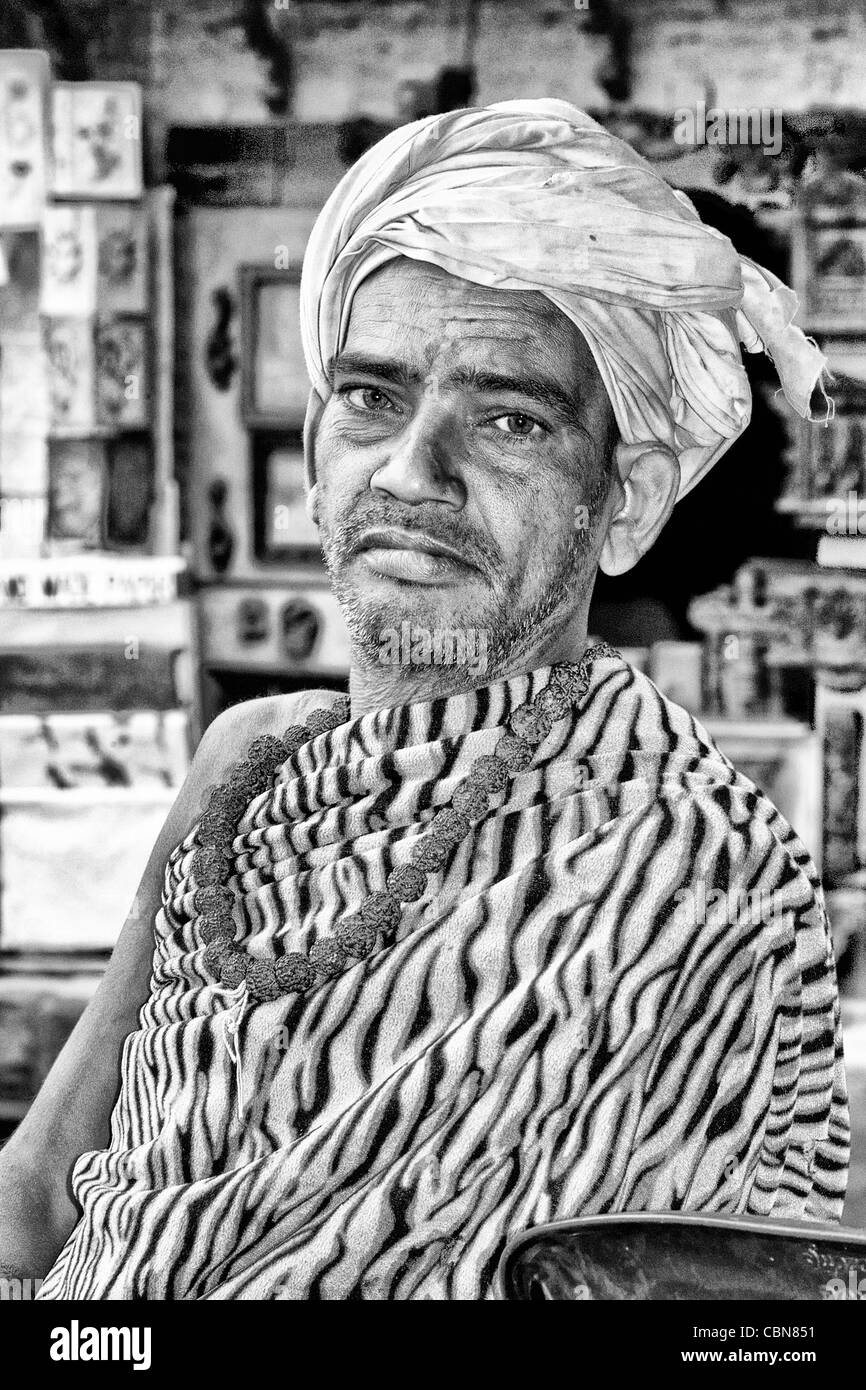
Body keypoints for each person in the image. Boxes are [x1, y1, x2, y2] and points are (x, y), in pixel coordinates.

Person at [2, 99, 848, 1301]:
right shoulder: (248, 767)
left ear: (629, 500)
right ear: (313, 449)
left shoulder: (691, 869)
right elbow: (36, 1198)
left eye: (508, 418)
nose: (411, 470)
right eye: (372, 398)